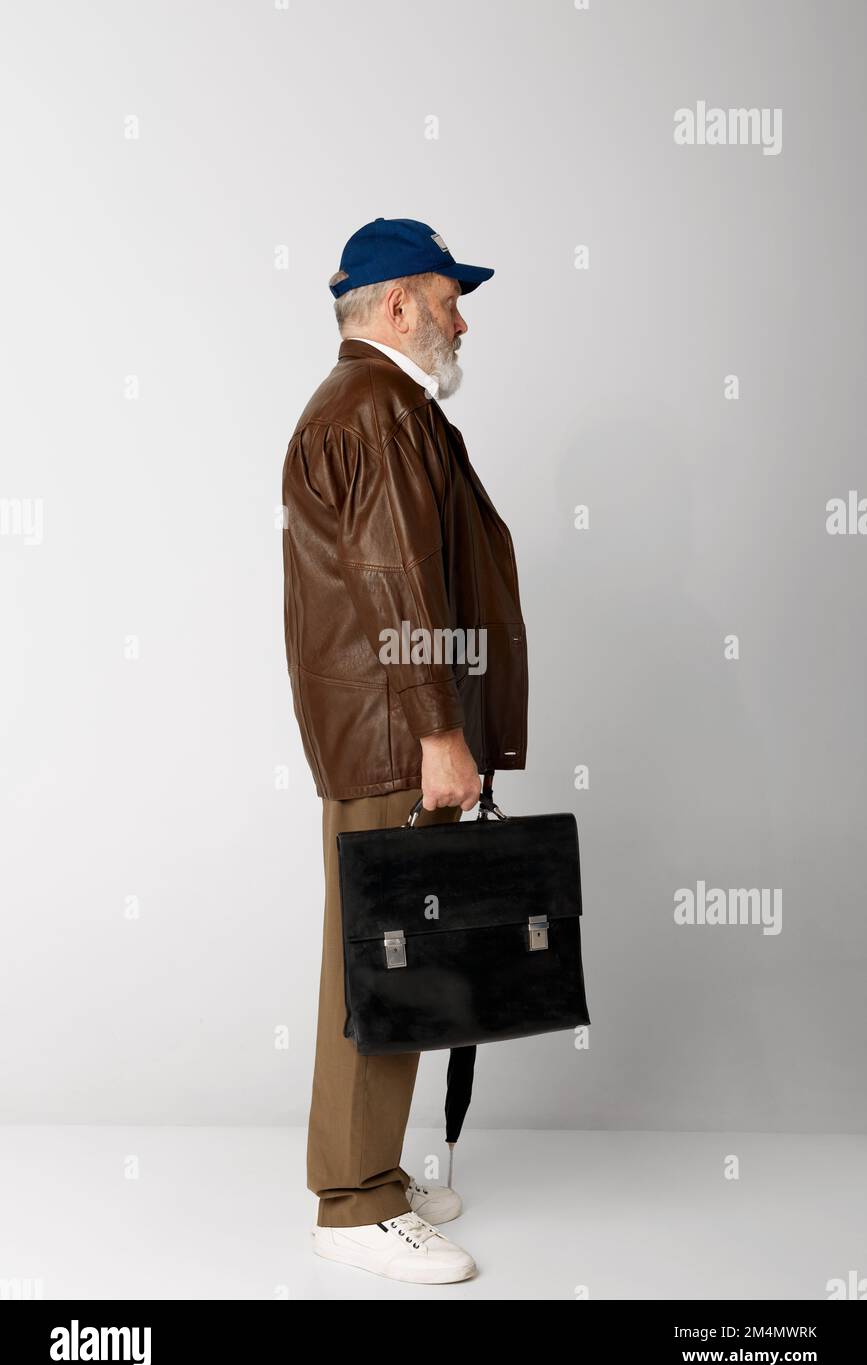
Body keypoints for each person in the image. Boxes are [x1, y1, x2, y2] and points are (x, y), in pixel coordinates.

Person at [281, 217, 528, 1283]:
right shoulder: (376, 411)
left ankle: (370, 1167)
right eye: (447, 296)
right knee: (379, 955)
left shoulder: (371, 406)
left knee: (397, 951)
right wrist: (438, 732)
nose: (460, 316)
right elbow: (397, 589)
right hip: (395, 737)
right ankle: (353, 1203)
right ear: (396, 306)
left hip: (389, 730)